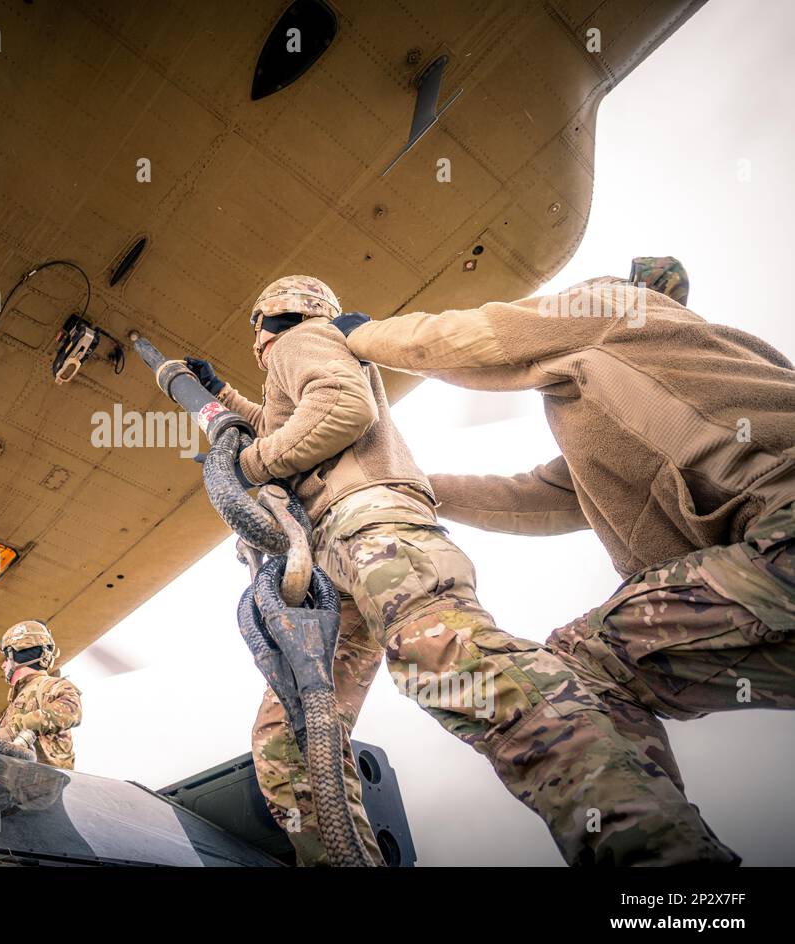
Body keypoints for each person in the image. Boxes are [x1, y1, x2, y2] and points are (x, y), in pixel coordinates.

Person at [185, 273, 734, 866]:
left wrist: (252, 461)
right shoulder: (297, 361)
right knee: (292, 739)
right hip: (337, 560)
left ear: (269, 321)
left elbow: (339, 407)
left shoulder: (302, 340)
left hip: (370, 532)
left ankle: (665, 864)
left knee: (454, 660)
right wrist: (222, 400)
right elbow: (281, 422)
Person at [336, 257, 795, 863]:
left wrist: (356, 336)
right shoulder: (656, 388)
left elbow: (476, 338)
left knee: (572, 678)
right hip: (773, 577)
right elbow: (541, 498)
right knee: (596, 684)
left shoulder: (619, 312)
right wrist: (402, 486)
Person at [0, 620, 83, 770]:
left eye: (7, 658)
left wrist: (14, 729)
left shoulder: (50, 686)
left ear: (15, 656)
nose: (3, 665)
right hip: (17, 783)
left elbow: (71, 710)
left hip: (43, 783)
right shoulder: (19, 697)